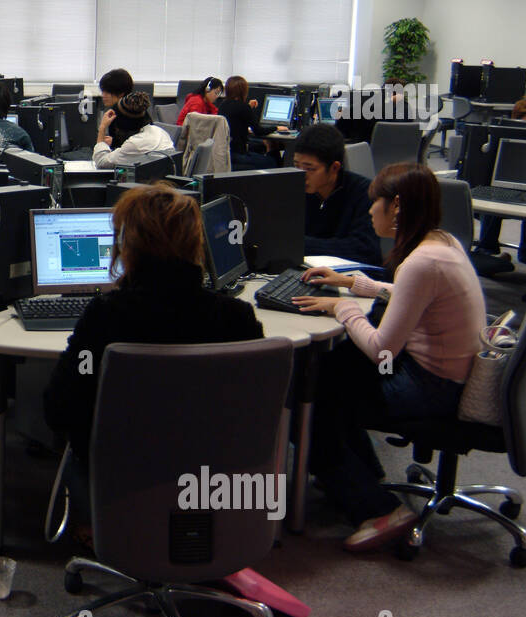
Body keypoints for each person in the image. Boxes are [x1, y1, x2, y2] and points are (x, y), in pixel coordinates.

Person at [293, 163, 485, 551]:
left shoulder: (422, 262)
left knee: (310, 398)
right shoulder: (442, 242)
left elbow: (382, 348)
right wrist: (351, 284)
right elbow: (409, 296)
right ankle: (361, 475)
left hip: (432, 388)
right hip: (446, 375)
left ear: (395, 206)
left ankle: (378, 509)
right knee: (333, 371)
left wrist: (340, 309)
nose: (368, 211)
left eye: (374, 203)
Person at [45, 183, 264, 472]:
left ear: (128, 246)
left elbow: (59, 410)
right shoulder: (237, 319)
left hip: (117, 482)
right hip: (211, 481)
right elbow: (259, 412)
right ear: (196, 243)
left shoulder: (105, 318)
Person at [293, 124, 382, 266]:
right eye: (296, 166)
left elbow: (364, 250)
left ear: (335, 167)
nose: (301, 175)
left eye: (310, 169)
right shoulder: (294, 190)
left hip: (351, 277)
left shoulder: (364, 193)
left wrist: (297, 244)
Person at [475, 97, 526, 258]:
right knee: (493, 204)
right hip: (500, 183)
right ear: (516, 119)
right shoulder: (499, 138)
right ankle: (487, 249)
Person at [92, 91, 172, 168]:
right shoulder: (160, 131)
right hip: (165, 180)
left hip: (146, 181)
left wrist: (102, 128)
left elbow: (101, 161)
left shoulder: (134, 144)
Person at [217, 75, 281, 169]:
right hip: (239, 154)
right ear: (243, 91)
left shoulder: (223, 105)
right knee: (271, 162)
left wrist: (248, 107)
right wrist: (277, 128)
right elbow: (258, 131)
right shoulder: (244, 107)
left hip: (226, 154)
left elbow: (235, 117)